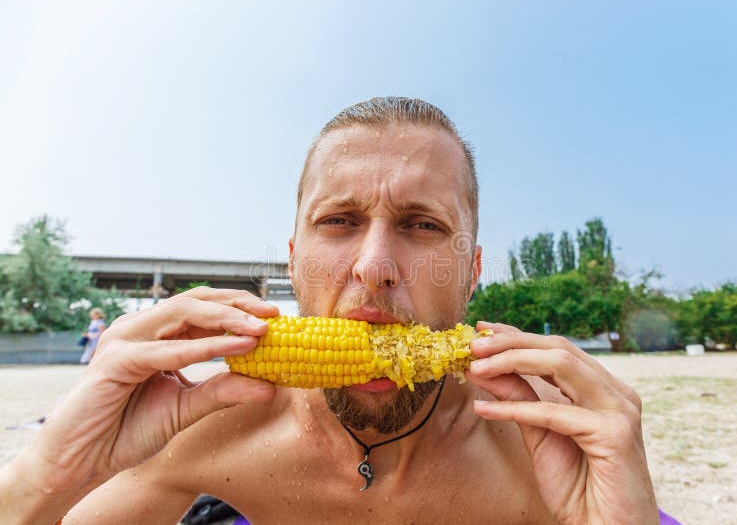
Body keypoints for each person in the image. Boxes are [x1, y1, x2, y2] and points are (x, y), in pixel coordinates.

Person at [0, 98, 659, 524]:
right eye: (340, 220)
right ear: (292, 263)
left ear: (472, 271)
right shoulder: (205, 431)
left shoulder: (547, 443)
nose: (373, 266)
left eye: (424, 225)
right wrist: (45, 475)